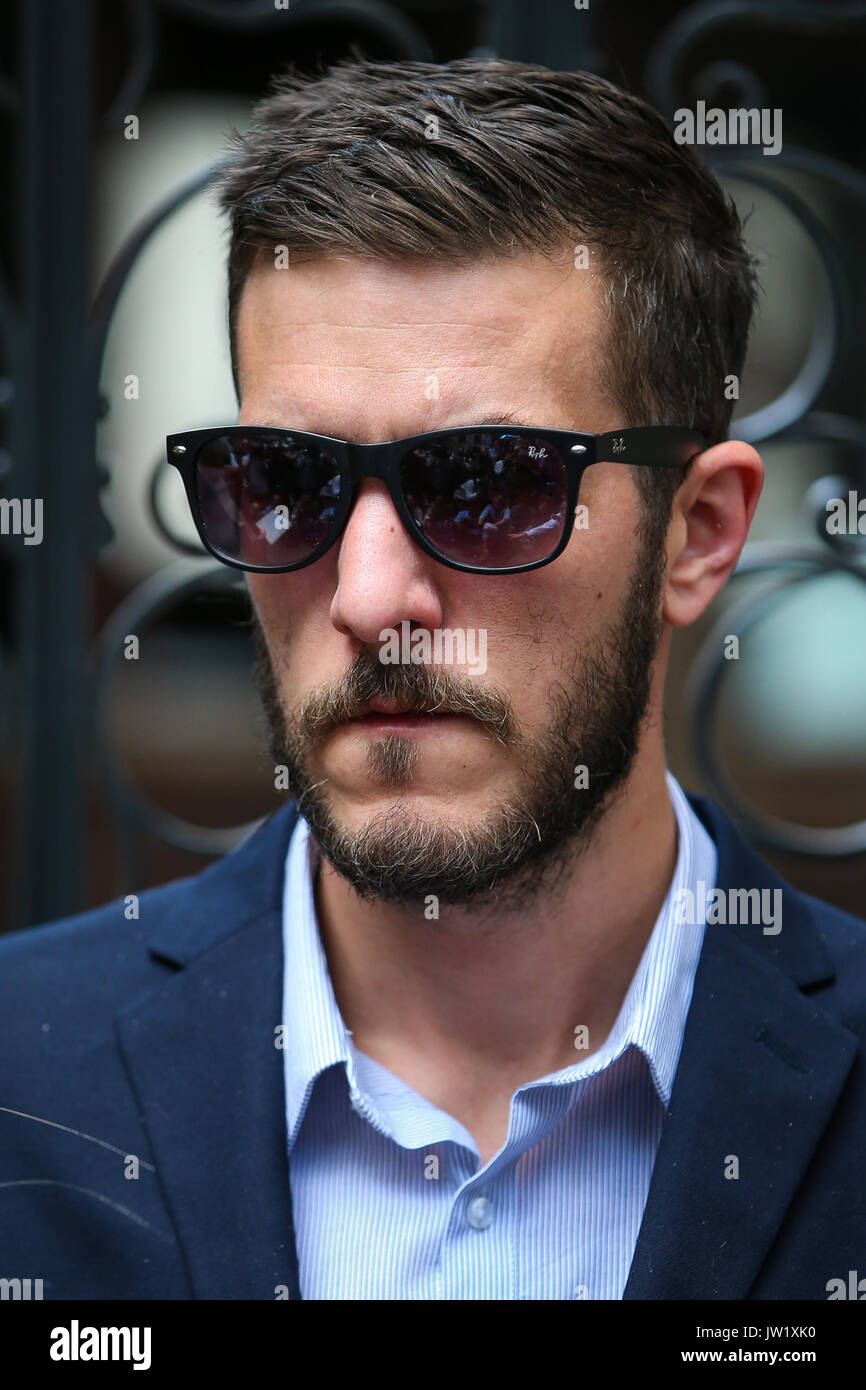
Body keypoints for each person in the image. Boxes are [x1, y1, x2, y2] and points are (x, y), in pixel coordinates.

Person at [2, 57, 864, 1302]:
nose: (363, 598)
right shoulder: (26, 1080)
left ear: (696, 531)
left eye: (487, 484)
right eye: (280, 482)